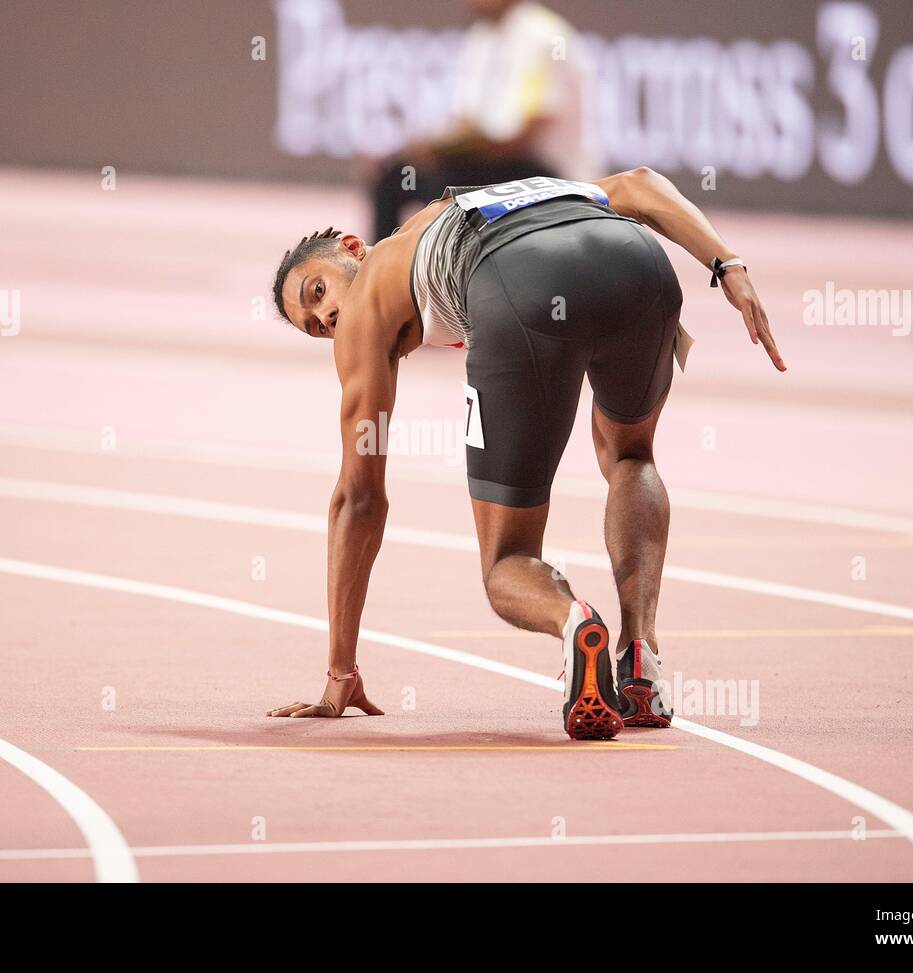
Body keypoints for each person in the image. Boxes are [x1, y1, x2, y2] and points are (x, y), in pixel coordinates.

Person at [265, 170, 785, 739]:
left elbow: (358, 497)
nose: (328, 320)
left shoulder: (368, 297)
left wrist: (341, 669)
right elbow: (637, 185)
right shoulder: (486, 199)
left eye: (317, 292)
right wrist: (726, 265)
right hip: (638, 262)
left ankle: (573, 619)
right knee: (631, 456)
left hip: (516, 282)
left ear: (352, 248)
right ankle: (641, 659)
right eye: (315, 328)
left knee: (506, 564)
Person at [368, 0, 598, 241]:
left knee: (442, 186)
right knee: (397, 175)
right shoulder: (481, 37)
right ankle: (379, 270)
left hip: (547, 176)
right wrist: (414, 152)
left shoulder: (545, 37)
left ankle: (449, 267)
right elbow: (469, 122)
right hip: (492, 163)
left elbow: (520, 138)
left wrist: (436, 150)